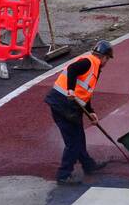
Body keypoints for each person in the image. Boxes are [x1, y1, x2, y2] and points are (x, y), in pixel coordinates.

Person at [45, 41, 116, 185]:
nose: (107, 63)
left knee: (79, 137)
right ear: (105, 57)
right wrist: (70, 89)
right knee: (74, 142)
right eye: (108, 59)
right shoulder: (89, 63)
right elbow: (72, 69)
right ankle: (64, 174)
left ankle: (88, 164)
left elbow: (84, 92)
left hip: (67, 105)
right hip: (64, 105)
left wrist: (91, 112)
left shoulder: (94, 68)